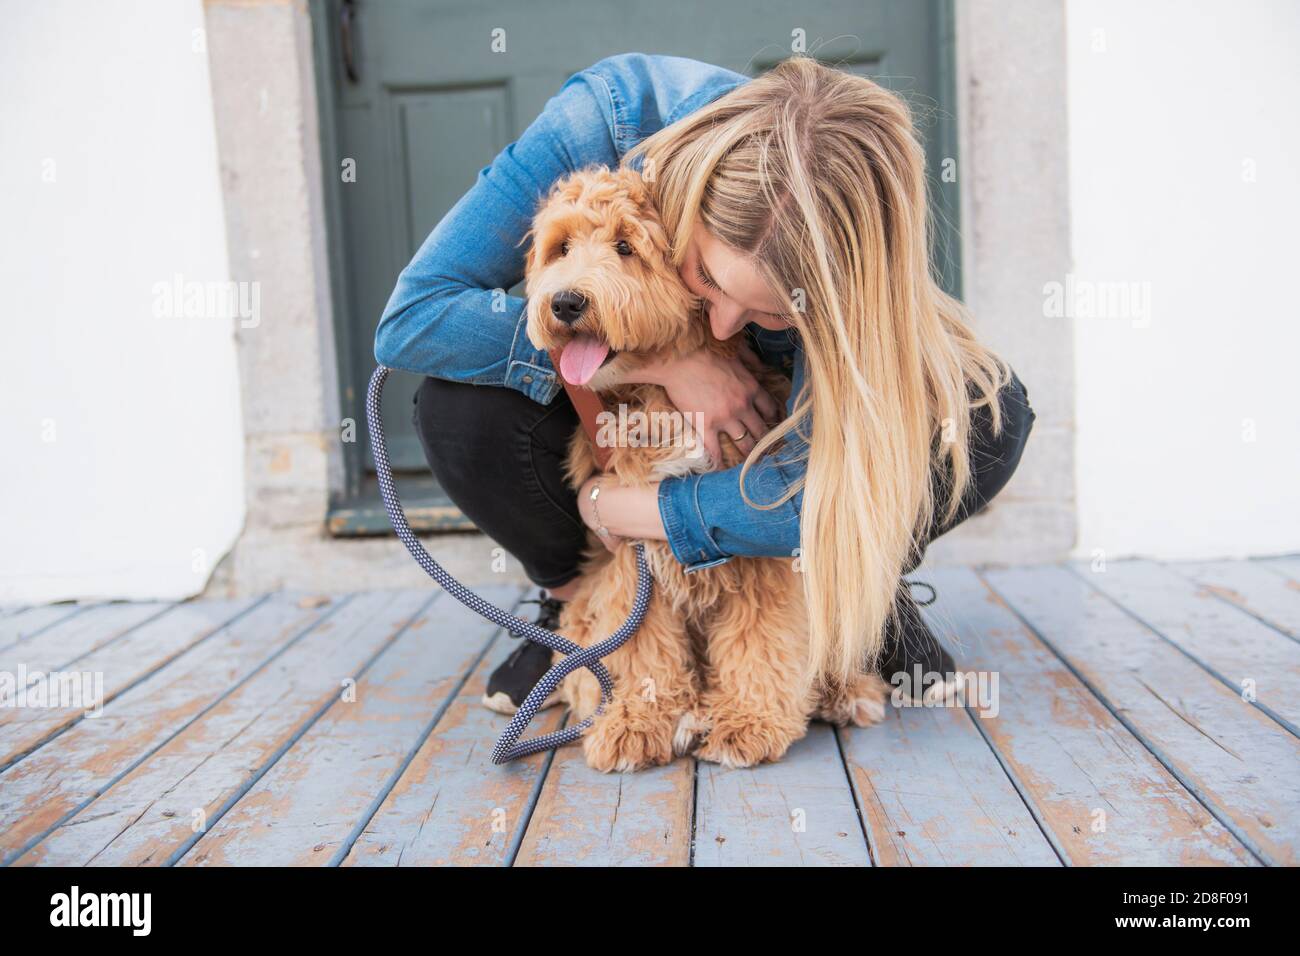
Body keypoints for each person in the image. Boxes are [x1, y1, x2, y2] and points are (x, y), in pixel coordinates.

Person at [376, 54, 1035, 714]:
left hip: (765, 445)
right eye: (710, 280)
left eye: (769, 314)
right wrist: (665, 364)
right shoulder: (598, 122)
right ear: (689, 206)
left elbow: (800, 492)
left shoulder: (845, 253)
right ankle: (581, 606)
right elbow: (413, 318)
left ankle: (852, 587)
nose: (724, 324)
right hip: (621, 420)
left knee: (984, 414)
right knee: (456, 411)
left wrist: (620, 507)